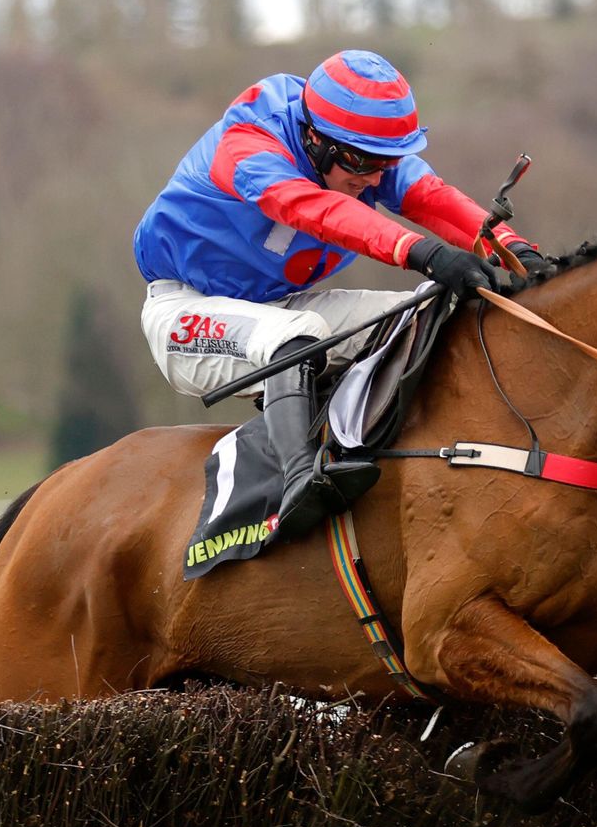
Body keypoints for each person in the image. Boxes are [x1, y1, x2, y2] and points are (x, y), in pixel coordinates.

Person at [133, 50, 548, 541]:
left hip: (284, 307)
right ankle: (299, 485)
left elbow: (429, 196)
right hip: (186, 310)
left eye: (386, 162)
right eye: (362, 163)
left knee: (425, 310)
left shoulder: (359, 147)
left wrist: (515, 250)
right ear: (315, 139)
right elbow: (318, 210)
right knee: (298, 336)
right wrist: (423, 252)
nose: (375, 177)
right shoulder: (248, 145)